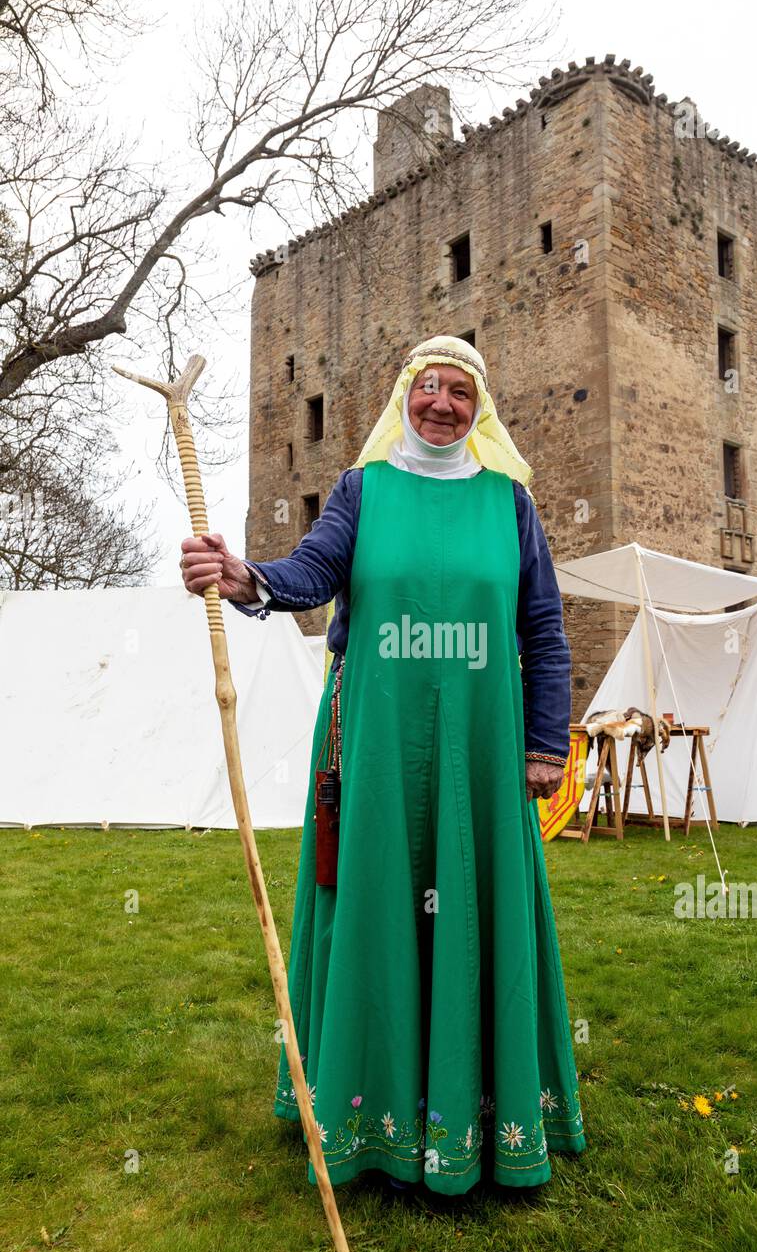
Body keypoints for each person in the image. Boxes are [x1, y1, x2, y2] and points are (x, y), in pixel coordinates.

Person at [180, 334, 587, 1196]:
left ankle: (486, 1117)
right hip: (375, 741)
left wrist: (546, 743)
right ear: (405, 396)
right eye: (429, 388)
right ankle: (369, 1114)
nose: (443, 404)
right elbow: (312, 572)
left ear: (481, 410)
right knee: (378, 909)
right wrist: (243, 576)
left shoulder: (510, 504)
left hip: (480, 747)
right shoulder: (362, 491)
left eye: (461, 393)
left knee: (475, 914)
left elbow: (544, 631)